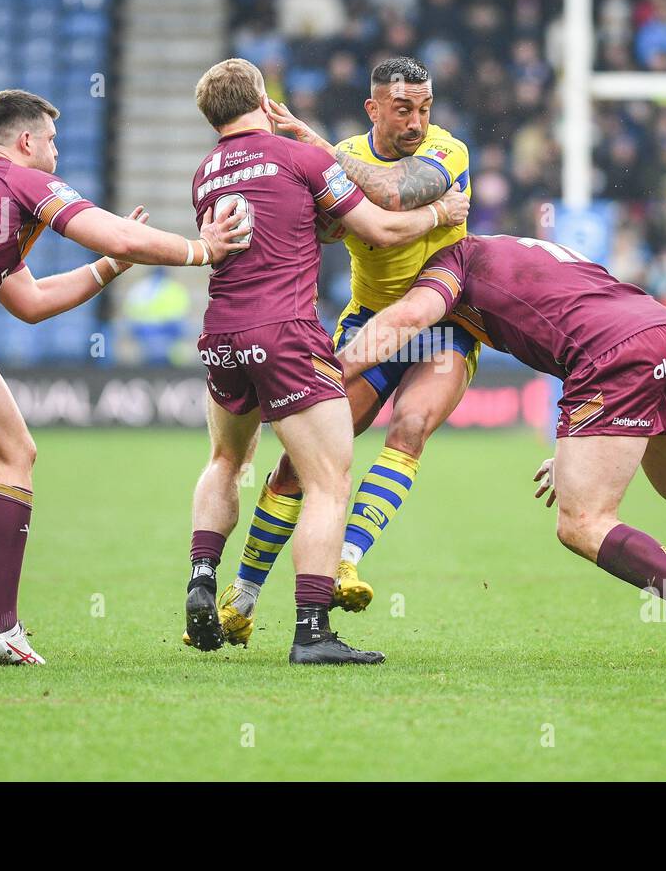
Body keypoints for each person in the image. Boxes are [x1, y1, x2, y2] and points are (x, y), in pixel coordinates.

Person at [0, 89, 250, 665]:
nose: (57, 151)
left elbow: (29, 302)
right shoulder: (20, 182)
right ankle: (1, 630)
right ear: (26, 141)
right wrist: (202, 249)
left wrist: (111, 268)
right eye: (52, 140)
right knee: (14, 453)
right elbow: (119, 232)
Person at [335, 234, 666, 667]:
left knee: (581, 522)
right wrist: (585, 445)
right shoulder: (512, 245)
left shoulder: (449, 265)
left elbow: (403, 320)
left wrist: (328, 376)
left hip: (612, 357)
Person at [183, 59, 469, 664]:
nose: (417, 121)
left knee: (409, 426)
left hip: (443, 324)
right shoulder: (323, 154)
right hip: (360, 321)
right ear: (374, 109)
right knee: (308, 471)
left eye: (425, 107)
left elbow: (389, 196)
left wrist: (327, 164)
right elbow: (360, 220)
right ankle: (251, 601)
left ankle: (336, 561)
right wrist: (327, 159)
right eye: (402, 109)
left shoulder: (449, 149)